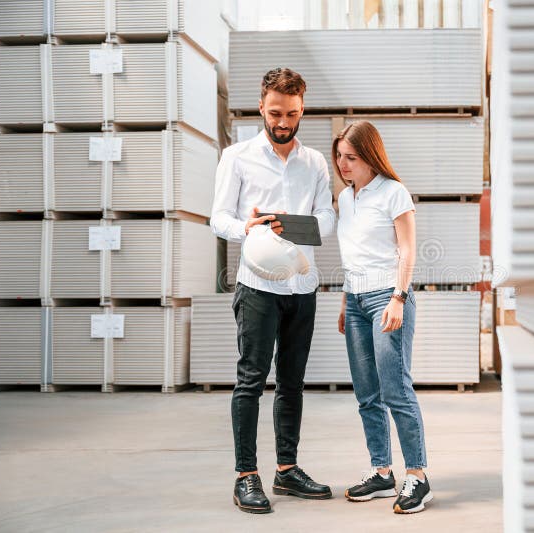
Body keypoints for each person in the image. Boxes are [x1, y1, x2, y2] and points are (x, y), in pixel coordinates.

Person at [210, 67, 336, 514]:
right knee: (250, 381)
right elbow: (218, 218)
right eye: (276, 112)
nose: (284, 122)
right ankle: (246, 475)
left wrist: (300, 224)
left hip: (302, 284)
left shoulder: (316, 162)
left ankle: (287, 469)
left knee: (292, 382)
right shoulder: (238, 156)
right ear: (262, 105)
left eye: (293, 113)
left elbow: (328, 218)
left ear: (303, 108)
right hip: (258, 286)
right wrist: (248, 227)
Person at [333, 121, 433, 514]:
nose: (343, 164)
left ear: (370, 157)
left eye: (351, 158)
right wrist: (344, 300)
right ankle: (381, 471)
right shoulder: (345, 199)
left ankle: (418, 475)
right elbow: (352, 255)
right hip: (356, 300)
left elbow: (407, 251)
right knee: (366, 394)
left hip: (387, 298)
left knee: (396, 389)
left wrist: (398, 297)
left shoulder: (394, 193)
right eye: (339, 156)